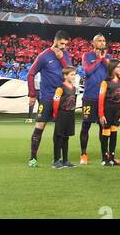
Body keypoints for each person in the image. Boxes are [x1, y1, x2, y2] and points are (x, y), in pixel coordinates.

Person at [27, 32, 71, 167]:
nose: (64, 47)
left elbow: (69, 73)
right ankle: (33, 158)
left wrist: (61, 59)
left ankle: (59, 160)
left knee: (61, 130)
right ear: (55, 40)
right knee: (40, 126)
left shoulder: (65, 55)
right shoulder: (44, 56)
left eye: (66, 44)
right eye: (62, 43)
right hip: (47, 97)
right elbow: (30, 74)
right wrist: (32, 94)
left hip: (63, 98)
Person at [78, 34, 111, 165]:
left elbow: (112, 71)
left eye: (103, 41)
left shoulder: (108, 58)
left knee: (103, 126)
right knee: (86, 125)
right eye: (99, 41)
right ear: (93, 42)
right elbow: (87, 72)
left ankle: (104, 155)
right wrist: (98, 59)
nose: (102, 43)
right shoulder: (87, 56)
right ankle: (84, 153)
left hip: (104, 98)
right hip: (90, 96)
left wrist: (103, 59)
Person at [48, 67, 79, 169]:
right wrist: (55, 114)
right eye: (71, 74)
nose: (73, 76)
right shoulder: (60, 88)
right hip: (61, 114)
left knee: (66, 137)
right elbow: (55, 101)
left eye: (74, 74)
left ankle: (65, 160)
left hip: (70, 114)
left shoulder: (74, 88)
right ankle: (56, 160)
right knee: (58, 138)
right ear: (65, 76)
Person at [97, 60, 120, 166]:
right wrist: (101, 114)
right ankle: (104, 158)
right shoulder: (105, 82)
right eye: (118, 67)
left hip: (116, 111)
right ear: (112, 68)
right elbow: (101, 99)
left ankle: (112, 157)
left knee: (114, 134)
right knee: (106, 133)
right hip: (107, 110)